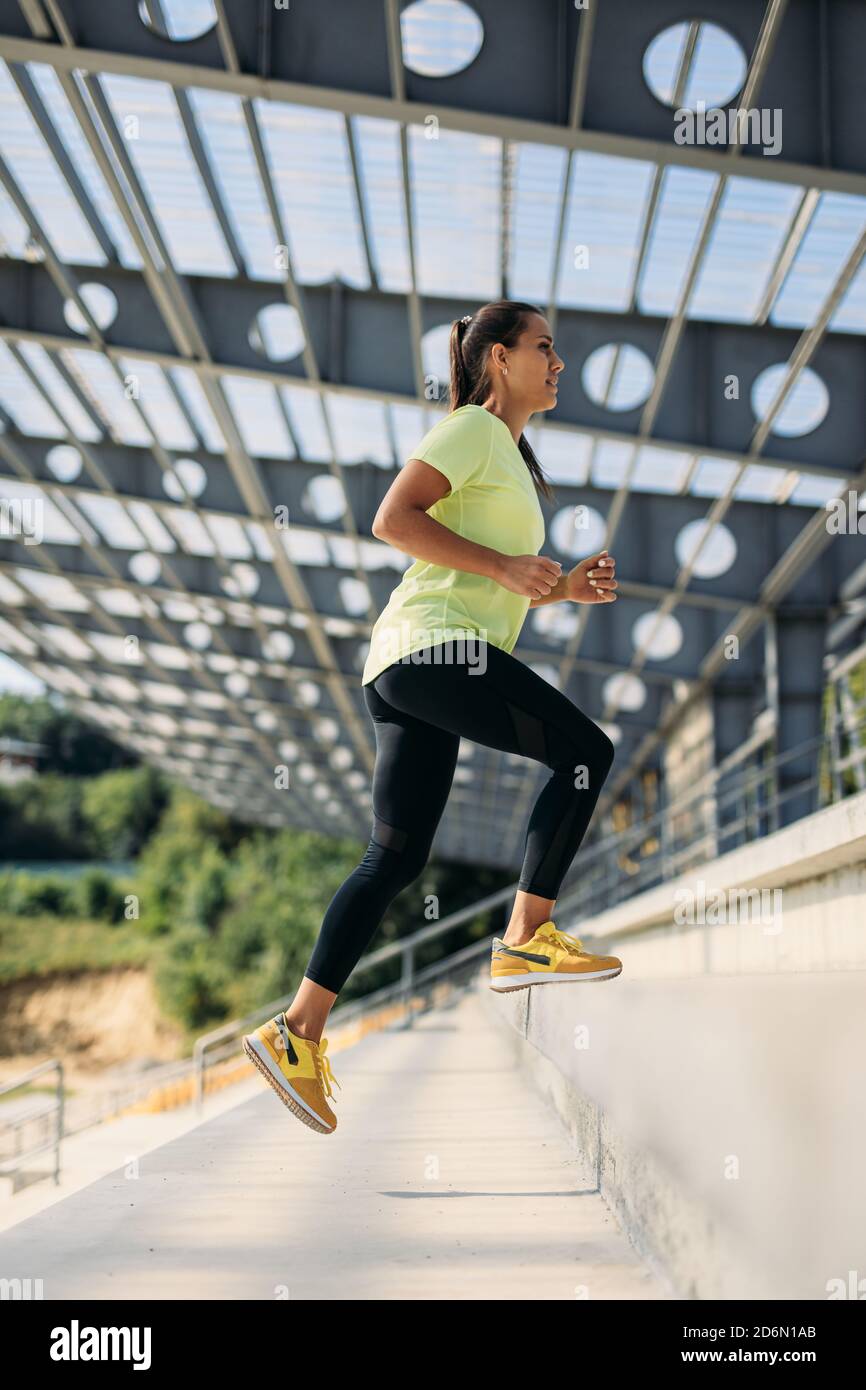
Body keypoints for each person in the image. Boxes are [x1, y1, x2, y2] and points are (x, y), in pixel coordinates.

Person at [243, 300, 622, 1133]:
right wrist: (506, 564)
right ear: (496, 359)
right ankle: (527, 934)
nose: (560, 364)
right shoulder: (472, 430)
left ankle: (296, 1030)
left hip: (414, 663)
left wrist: (559, 585)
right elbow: (392, 520)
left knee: (395, 857)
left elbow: (492, 579)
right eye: (544, 348)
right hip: (432, 652)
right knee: (585, 753)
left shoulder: (511, 459)